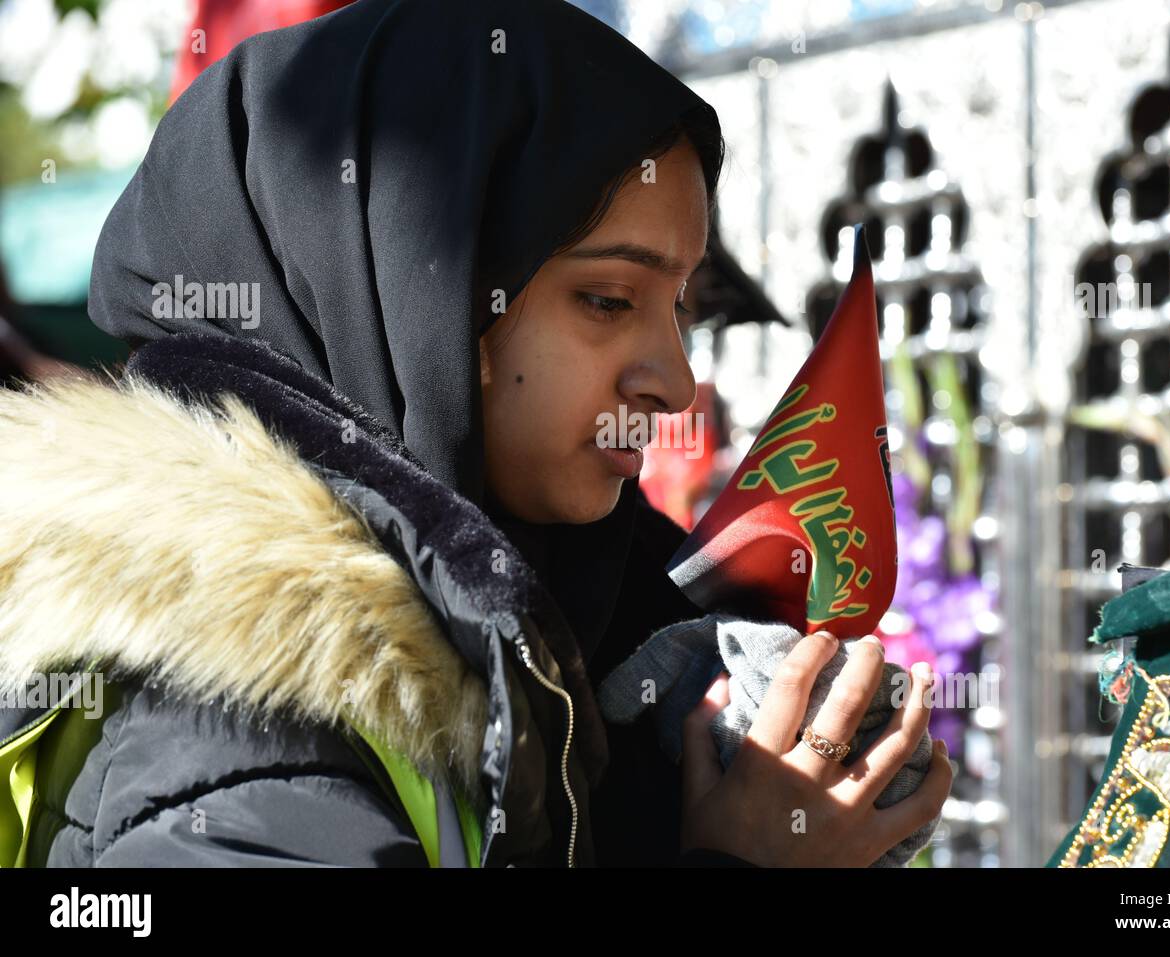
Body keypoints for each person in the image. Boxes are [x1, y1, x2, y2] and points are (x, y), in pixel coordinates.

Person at [0, 0, 950, 867]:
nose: (674, 382)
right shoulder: (238, 723)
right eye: (607, 299)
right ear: (423, 302)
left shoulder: (589, 637)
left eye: (681, 313)